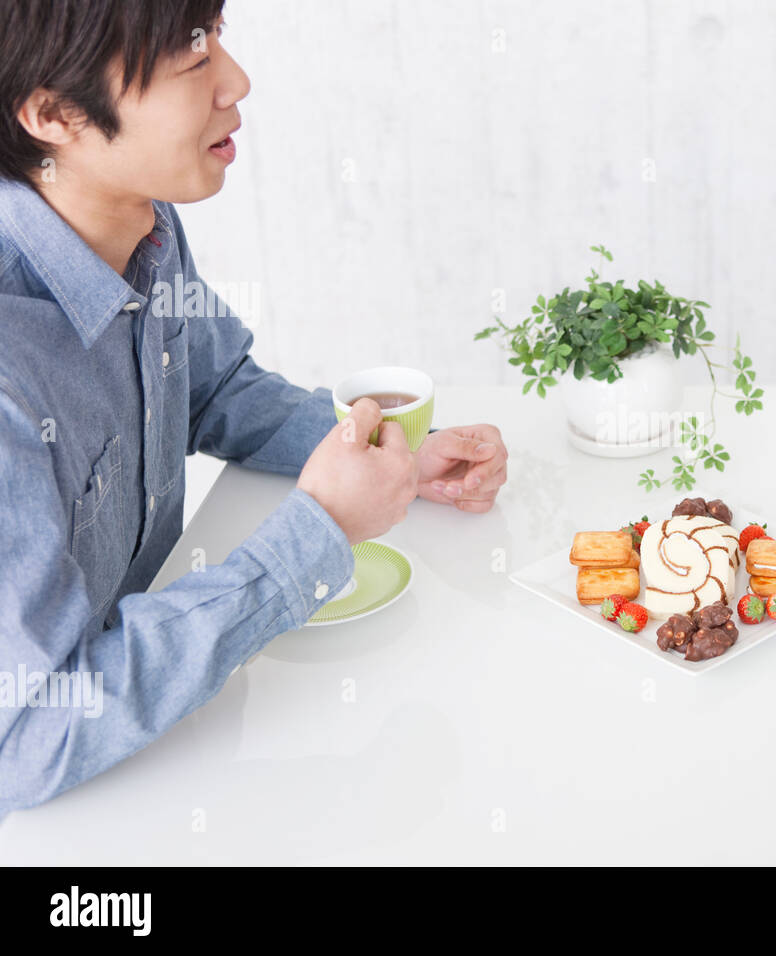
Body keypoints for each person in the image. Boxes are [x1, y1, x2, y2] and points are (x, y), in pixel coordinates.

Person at [0, 0, 508, 813]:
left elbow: (210, 387)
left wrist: (397, 450)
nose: (237, 81)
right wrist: (319, 531)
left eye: (217, 42)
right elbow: (25, 741)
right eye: (190, 60)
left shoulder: (138, 218)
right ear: (54, 113)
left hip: (172, 758)